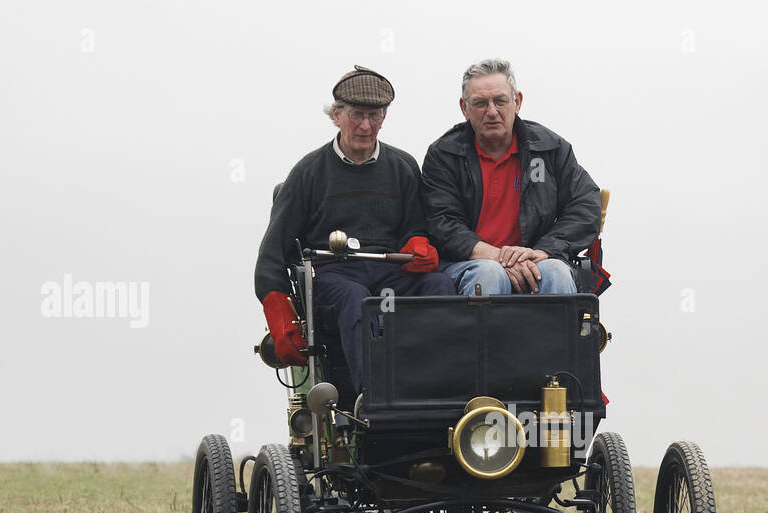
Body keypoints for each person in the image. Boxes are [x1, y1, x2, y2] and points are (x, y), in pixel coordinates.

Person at [254, 65, 455, 391]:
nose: (366, 125)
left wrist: (418, 242)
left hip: (391, 271)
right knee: (356, 299)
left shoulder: (403, 167)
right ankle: (374, 399)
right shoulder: (307, 173)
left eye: (375, 116)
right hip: (333, 278)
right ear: (336, 115)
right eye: (357, 115)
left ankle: (441, 392)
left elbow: (416, 226)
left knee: (441, 287)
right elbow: (271, 255)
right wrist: (279, 314)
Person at [422, 58, 601, 296]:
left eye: (500, 101)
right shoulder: (444, 155)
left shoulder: (551, 149)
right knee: (489, 273)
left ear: (517, 102)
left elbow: (585, 207)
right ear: (464, 108)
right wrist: (497, 258)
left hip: (537, 259)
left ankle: (552, 335)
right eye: (480, 103)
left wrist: (543, 251)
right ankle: (485, 335)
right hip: (468, 262)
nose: (492, 111)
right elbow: (441, 222)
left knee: (556, 271)